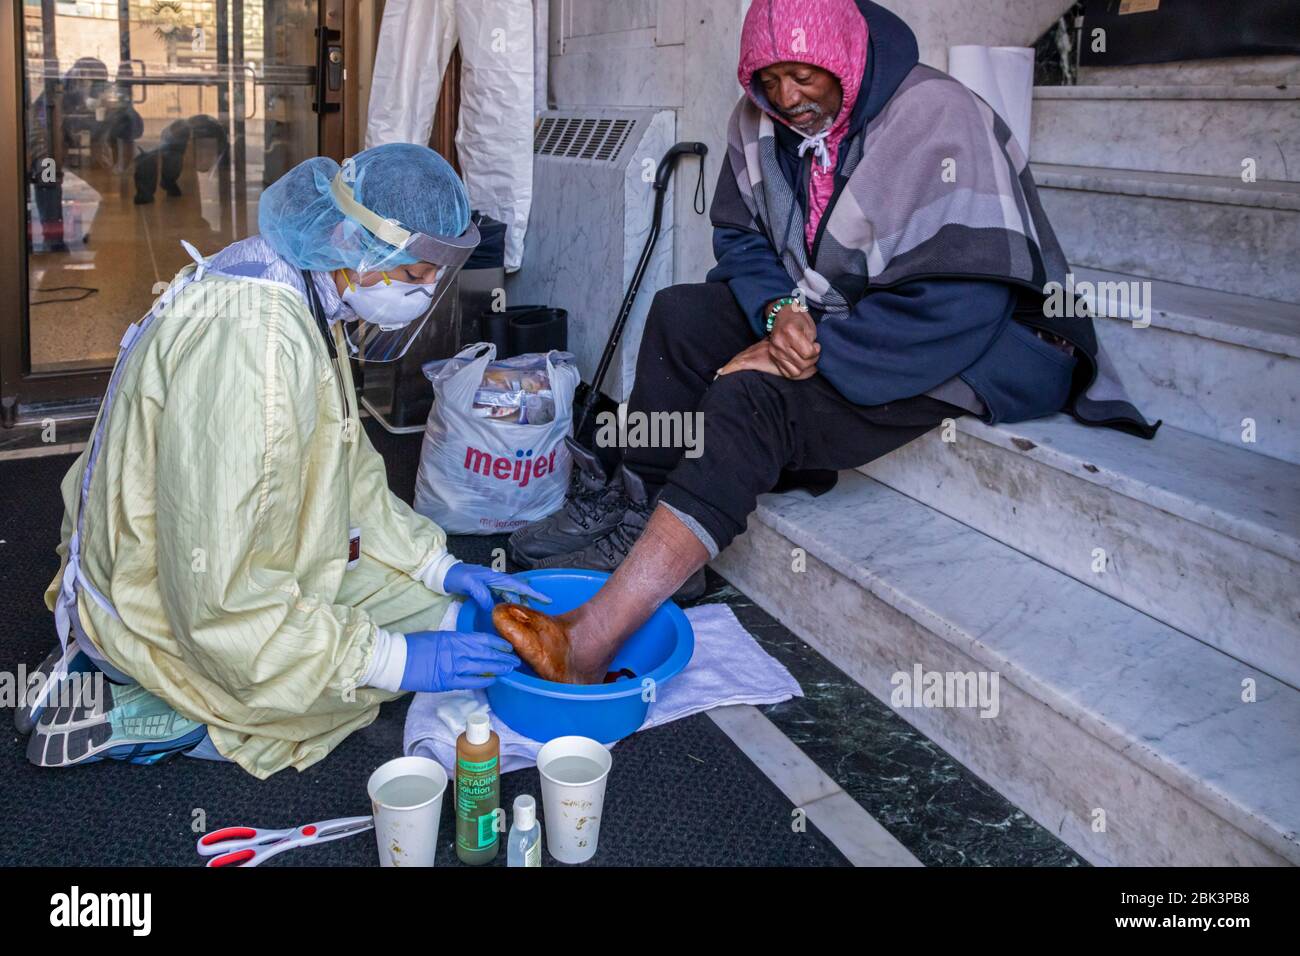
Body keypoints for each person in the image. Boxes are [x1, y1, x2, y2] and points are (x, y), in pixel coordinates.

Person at [501, 0, 1157, 683]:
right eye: (770, 78)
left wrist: (811, 352)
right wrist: (781, 310)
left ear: (843, 59)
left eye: (805, 77)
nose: (788, 98)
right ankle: (641, 508)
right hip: (838, 306)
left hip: (983, 337)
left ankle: (594, 636)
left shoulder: (936, 113)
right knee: (681, 314)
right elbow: (740, 237)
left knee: (753, 396)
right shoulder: (757, 120)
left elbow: (965, 301)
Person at [18, 143, 545, 777]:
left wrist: (437, 569)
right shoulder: (256, 352)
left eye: (437, 275)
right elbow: (225, 603)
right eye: (413, 275)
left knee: (447, 620)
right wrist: (397, 662)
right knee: (336, 695)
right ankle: (154, 705)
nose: (427, 293)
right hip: (169, 599)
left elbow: (344, 473)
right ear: (355, 241)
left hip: (234, 552)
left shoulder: (300, 284)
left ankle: (115, 670)